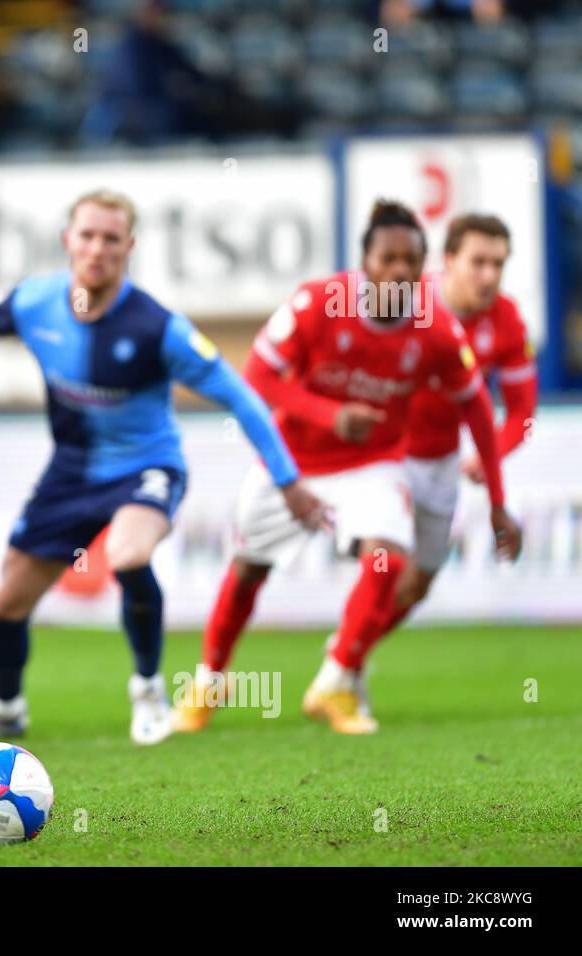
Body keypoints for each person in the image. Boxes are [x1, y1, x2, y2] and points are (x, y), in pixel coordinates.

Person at [0, 189, 325, 746]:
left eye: (111, 239)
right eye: (88, 235)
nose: (97, 248)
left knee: (129, 555)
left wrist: (288, 480)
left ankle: (147, 688)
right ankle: (6, 708)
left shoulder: (157, 328)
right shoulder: (35, 304)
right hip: (70, 474)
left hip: (147, 469)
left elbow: (241, 398)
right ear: (67, 241)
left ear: (130, 247)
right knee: (4, 607)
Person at [174, 200, 520, 736]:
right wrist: (330, 414)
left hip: (372, 465)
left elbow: (477, 406)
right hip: (293, 461)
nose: (400, 270)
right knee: (248, 569)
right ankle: (209, 681)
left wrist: (498, 502)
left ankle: (337, 679)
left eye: (411, 260)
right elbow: (257, 379)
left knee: (387, 555)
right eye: (389, 258)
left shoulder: (437, 331)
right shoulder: (317, 303)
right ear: (366, 262)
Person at [372, 213, 533, 641]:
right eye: (478, 262)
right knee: (385, 560)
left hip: (440, 460)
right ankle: (344, 667)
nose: (489, 275)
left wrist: (490, 454)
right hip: (385, 455)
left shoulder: (508, 321)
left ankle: (348, 658)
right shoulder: (407, 304)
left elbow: (523, 414)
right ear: (447, 261)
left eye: (498, 264)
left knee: (418, 583)